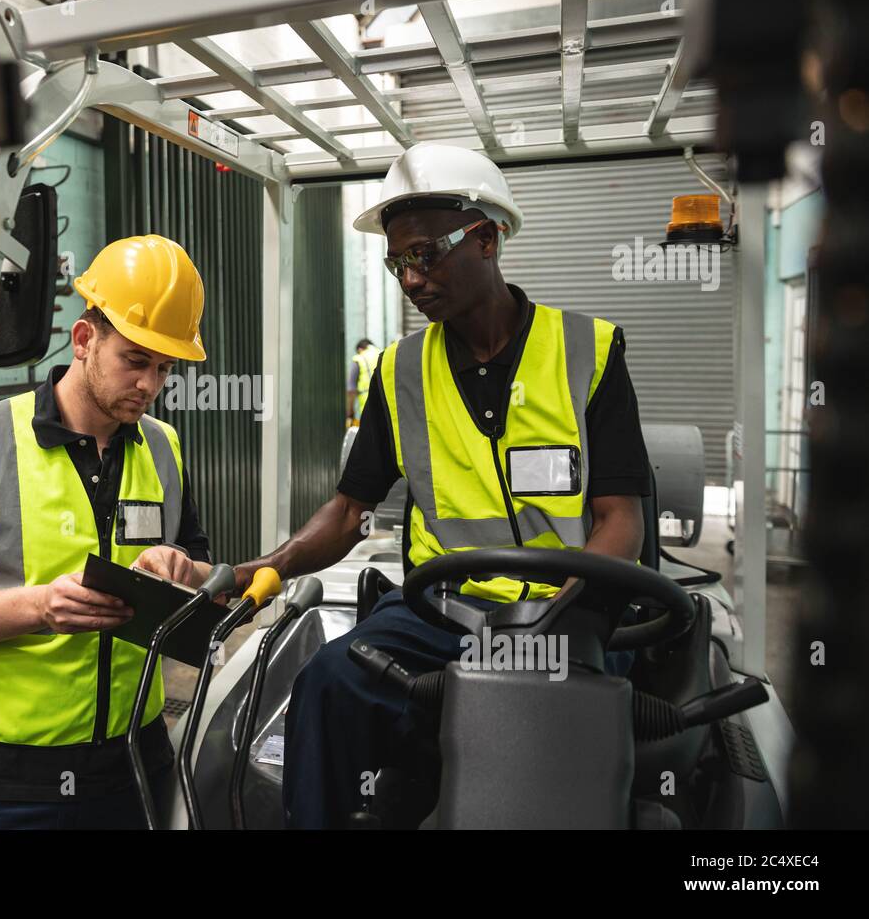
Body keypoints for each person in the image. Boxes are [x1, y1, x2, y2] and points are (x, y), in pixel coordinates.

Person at [233, 143, 652, 828]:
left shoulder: (589, 351)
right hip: (442, 619)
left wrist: (565, 621)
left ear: (485, 239)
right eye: (398, 262)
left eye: (424, 254)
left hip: (569, 615)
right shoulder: (399, 372)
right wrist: (267, 569)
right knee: (328, 683)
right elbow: (347, 512)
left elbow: (620, 521)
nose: (409, 278)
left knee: (582, 737)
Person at [0, 234, 217, 829]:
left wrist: (182, 570)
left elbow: (197, 562)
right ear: (85, 339)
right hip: (1, 779)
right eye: (135, 360)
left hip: (136, 759)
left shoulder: (163, 448)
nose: (149, 384)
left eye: (165, 368)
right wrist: (40, 606)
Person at [347, 338, 380, 427]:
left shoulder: (359, 359)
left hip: (367, 405)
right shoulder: (383, 353)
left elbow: (351, 389)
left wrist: (350, 412)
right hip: (384, 403)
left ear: (360, 349)